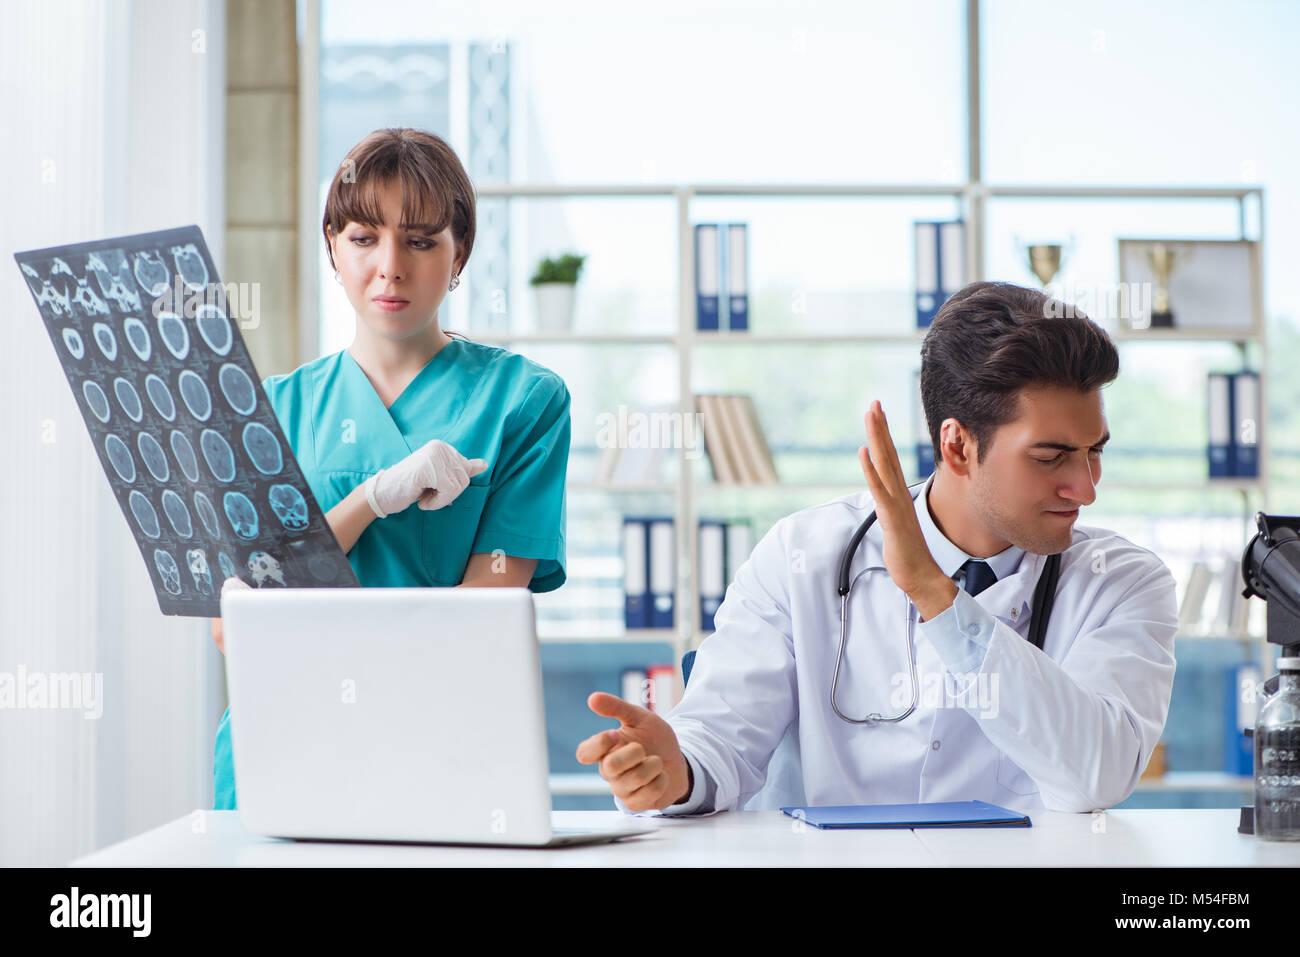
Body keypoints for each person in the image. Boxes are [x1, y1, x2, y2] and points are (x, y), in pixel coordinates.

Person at [577, 281, 1178, 815]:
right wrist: (674, 773)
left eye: (1094, 450)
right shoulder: (801, 556)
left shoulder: (1123, 583)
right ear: (959, 446)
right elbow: (720, 741)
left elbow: (1096, 777)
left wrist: (938, 599)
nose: (1086, 488)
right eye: (1052, 457)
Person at [211, 128, 571, 810]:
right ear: (332, 248)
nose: (390, 267)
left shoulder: (524, 401)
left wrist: (303, 606)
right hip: (278, 749)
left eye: (422, 240)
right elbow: (237, 627)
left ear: (459, 252)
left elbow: (487, 616)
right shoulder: (274, 409)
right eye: (363, 237)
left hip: (437, 753)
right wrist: (373, 497)